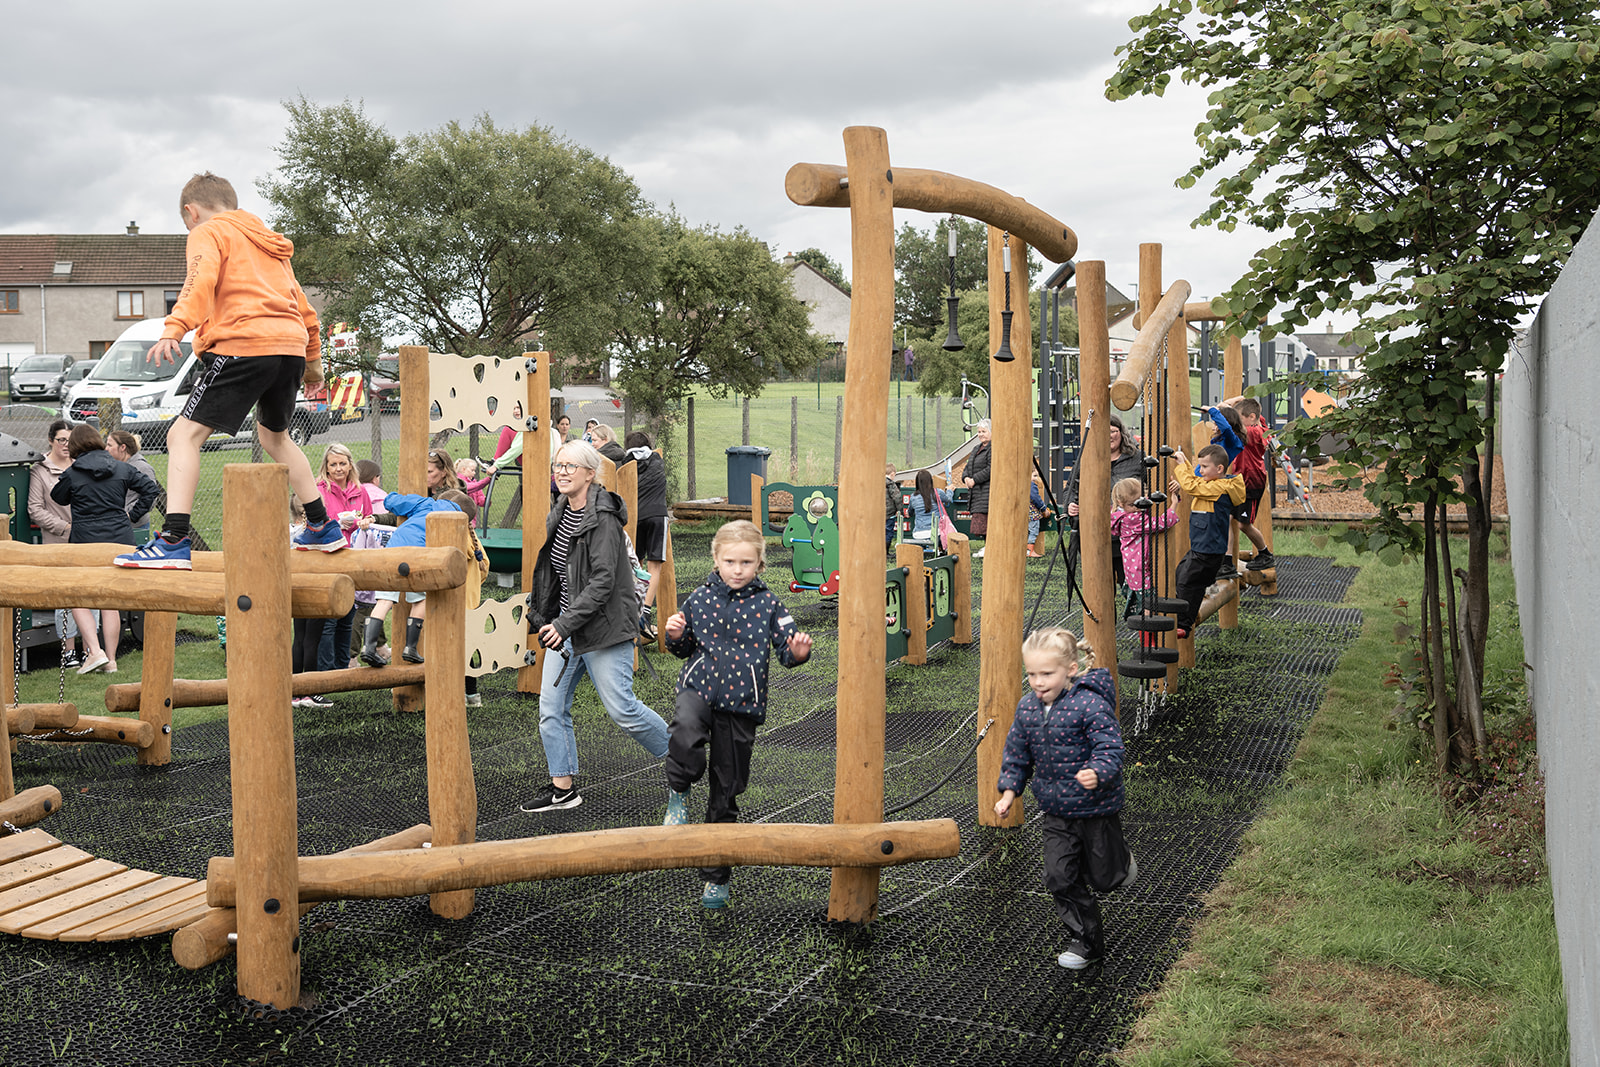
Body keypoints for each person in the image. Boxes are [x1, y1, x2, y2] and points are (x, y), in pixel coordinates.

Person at [114, 172, 335, 570]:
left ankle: (174, 540)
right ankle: (321, 526)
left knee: (183, 435)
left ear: (191, 211)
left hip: (243, 344)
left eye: (186, 222)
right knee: (275, 438)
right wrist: (313, 361)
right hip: (289, 347)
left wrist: (174, 328)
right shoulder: (269, 242)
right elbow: (303, 306)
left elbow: (199, 281)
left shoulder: (208, 232)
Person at [663, 519, 812, 908]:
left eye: (746, 562)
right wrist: (675, 635)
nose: (737, 570)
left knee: (727, 790)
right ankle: (679, 792)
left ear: (760, 564)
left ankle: (716, 876)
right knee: (684, 730)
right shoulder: (698, 598)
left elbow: (786, 649)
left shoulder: (770, 605)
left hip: (741, 704)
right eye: (730, 561)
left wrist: (798, 652)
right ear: (716, 560)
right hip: (698, 689)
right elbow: (682, 646)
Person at [519, 440, 670, 814]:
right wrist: (545, 614)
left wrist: (565, 623)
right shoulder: (561, 511)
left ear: (590, 473)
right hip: (568, 629)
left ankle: (683, 755)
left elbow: (602, 582)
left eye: (571, 466)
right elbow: (557, 574)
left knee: (623, 710)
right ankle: (563, 788)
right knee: (551, 709)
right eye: (558, 465)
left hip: (602, 628)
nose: (563, 471)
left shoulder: (602, 517)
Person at [995, 626, 1134, 970]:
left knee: (1106, 878)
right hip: (1057, 811)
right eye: (1031, 674)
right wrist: (1009, 792)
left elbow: (1110, 746)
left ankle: (1119, 862)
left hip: (1095, 806)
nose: (1038, 682)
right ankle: (1086, 943)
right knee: (1058, 877)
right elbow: (1017, 754)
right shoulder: (1027, 709)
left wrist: (1098, 771)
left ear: (1070, 670)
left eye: (1047, 673)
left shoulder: (1090, 704)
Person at [50, 425, 161, 673]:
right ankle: (110, 660)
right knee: (109, 600)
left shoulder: (73, 472)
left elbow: (58, 497)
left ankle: (95, 651)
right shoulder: (121, 467)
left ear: (76, 447)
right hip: (119, 538)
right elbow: (150, 489)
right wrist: (131, 516)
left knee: (77, 596)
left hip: (85, 541)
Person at [357, 491, 467, 667]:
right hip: (418, 557)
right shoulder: (457, 521)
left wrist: (392, 496)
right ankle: (410, 648)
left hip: (394, 552)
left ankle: (368, 648)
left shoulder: (427, 504)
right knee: (421, 599)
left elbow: (393, 502)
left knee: (384, 600)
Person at [1170, 445, 1246, 638]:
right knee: (1182, 574)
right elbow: (1196, 481)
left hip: (1208, 549)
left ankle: (1184, 624)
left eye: (1204, 466)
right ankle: (1190, 606)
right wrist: (1185, 463)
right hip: (1202, 547)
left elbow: (1191, 486)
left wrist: (1181, 466)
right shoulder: (1214, 484)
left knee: (1187, 582)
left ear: (1219, 469)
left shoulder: (1220, 487)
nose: (1200, 470)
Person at [313, 443, 374, 673]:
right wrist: (337, 524)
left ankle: (343, 667)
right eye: (333, 464)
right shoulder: (319, 490)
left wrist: (366, 522)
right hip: (329, 558)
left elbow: (369, 516)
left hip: (354, 557)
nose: (338, 469)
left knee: (348, 616)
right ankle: (326, 669)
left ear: (350, 465)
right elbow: (312, 523)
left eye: (342, 463)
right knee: (330, 618)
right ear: (326, 468)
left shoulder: (361, 490)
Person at [29, 419, 84, 667]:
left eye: (70, 441)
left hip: (85, 538)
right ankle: (68, 650)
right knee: (65, 595)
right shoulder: (40, 470)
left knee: (87, 593)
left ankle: (93, 647)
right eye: (61, 440)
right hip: (58, 539)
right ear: (51, 440)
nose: (66, 445)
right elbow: (35, 509)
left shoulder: (80, 464)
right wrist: (64, 527)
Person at [435, 488, 492, 708]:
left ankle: (450, 694)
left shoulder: (450, 538)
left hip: (453, 605)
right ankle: (471, 695)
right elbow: (485, 566)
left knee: (449, 651)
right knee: (468, 651)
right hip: (471, 605)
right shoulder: (472, 535)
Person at [1220, 396, 1276, 574]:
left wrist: (1225, 405)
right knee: (1229, 519)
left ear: (1251, 417)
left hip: (1251, 482)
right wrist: (1240, 399)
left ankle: (1265, 554)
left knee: (1244, 525)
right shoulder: (1261, 425)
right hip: (1241, 480)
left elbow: (1225, 414)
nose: (1238, 422)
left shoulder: (1253, 432)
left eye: (1240, 418)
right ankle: (1227, 562)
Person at [1110, 476, 1179, 621]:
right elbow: (1161, 523)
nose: (1138, 508)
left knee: (1143, 597)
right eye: (1133, 505)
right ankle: (1146, 623)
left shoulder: (1120, 512)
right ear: (1121, 502)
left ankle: (1144, 618)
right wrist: (1174, 504)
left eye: (1140, 503)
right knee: (1147, 602)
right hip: (1138, 567)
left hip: (1132, 564)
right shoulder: (1131, 519)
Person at [624, 431, 669, 637]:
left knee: (637, 564)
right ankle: (645, 612)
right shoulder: (657, 460)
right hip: (657, 515)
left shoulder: (626, 463)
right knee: (655, 566)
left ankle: (635, 605)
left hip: (636, 516)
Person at [1065, 413, 1146, 521]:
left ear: (1121, 432)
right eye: (1104, 431)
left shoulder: (1137, 458)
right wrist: (1070, 504)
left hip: (1127, 526)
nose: (1109, 435)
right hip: (1092, 522)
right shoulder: (1086, 459)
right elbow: (1069, 489)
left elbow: (1152, 486)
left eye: (1112, 431)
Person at [106, 430, 161, 544]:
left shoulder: (142, 468)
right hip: (114, 526)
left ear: (123, 447)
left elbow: (152, 498)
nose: (106, 449)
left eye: (110, 445)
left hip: (135, 527)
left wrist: (131, 515)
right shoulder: (113, 466)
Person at [962, 419, 992, 547]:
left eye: (984, 431)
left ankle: (990, 548)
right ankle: (987, 547)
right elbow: (967, 467)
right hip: (977, 494)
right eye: (979, 432)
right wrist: (966, 478)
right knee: (982, 526)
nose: (980, 434)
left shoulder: (993, 448)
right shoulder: (976, 449)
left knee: (988, 524)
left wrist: (975, 479)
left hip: (987, 493)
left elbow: (991, 468)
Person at [906, 469, 954, 548]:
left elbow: (910, 512)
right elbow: (948, 499)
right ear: (931, 481)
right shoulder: (937, 492)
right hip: (936, 534)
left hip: (918, 536)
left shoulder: (913, 497)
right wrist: (950, 490)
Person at [1027, 477, 1055, 557]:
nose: (1037, 478)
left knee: (1027, 533)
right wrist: (1043, 508)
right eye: (1035, 475)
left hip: (1025, 514)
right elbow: (1036, 498)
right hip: (1033, 515)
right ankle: (1030, 551)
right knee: (1033, 532)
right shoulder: (1031, 484)